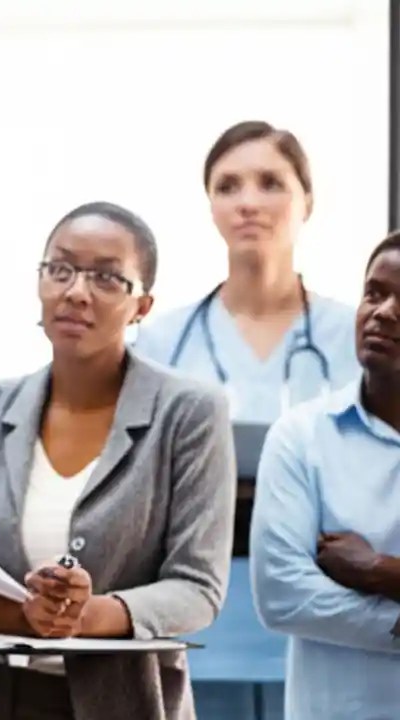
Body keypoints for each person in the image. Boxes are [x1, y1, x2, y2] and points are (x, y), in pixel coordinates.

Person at [0, 202, 236, 720]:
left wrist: (87, 616)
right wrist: (30, 615)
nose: (76, 291)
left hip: (120, 702)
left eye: (106, 277)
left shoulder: (190, 412)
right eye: (59, 269)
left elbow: (198, 588)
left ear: (142, 306)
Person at [134, 121, 359, 720]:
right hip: (199, 618)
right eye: (228, 185)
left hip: (324, 618)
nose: (249, 202)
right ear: (210, 205)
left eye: (270, 183)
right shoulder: (161, 341)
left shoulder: (357, 336)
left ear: (306, 200)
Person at [250, 232, 400, 720]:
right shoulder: (301, 437)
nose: (383, 312)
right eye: (374, 293)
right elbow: (284, 597)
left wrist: (377, 571)